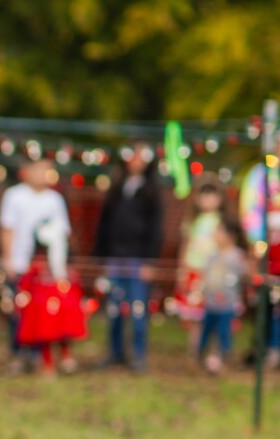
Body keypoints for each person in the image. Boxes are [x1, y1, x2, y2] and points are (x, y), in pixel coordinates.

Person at [93, 144, 167, 372]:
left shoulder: (153, 191)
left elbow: (156, 229)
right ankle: (115, 353)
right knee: (114, 309)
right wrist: (102, 256)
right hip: (115, 257)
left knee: (138, 310)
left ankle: (138, 355)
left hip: (138, 259)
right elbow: (104, 224)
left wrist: (150, 261)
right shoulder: (116, 188)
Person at [0, 159, 70, 373]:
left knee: (41, 313)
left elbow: (62, 233)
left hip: (45, 270)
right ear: (26, 171)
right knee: (18, 312)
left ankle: (40, 354)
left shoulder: (55, 199)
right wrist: (8, 259)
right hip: (20, 264)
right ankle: (18, 354)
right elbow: (7, 229)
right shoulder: (14, 196)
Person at [13, 220, 89, 376]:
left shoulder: (63, 268)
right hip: (42, 308)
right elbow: (27, 283)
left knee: (63, 328)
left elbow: (72, 284)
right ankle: (47, 363)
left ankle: (65, 356)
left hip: (61, 305)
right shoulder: (37, 265)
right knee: (44, 332)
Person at [176, 181, 224, 353]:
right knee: (195, 315)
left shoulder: (221, 222)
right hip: (193, 271)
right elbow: (185, 245)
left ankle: (213, 350)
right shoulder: (192, 222)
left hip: (213, 274)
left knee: (213, 313)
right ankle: (195, 349)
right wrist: (182, 269)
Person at [196, 217, 247, 375]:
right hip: (210, 302)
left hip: (227, 303)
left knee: (223, 331)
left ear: (230, 235)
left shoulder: (237, 256)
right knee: (206, 330)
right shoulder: (212, 255)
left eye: (219, 231)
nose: (215, 234)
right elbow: (206, 276)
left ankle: (221, 358)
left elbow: (244, 275)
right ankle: (202, 355)